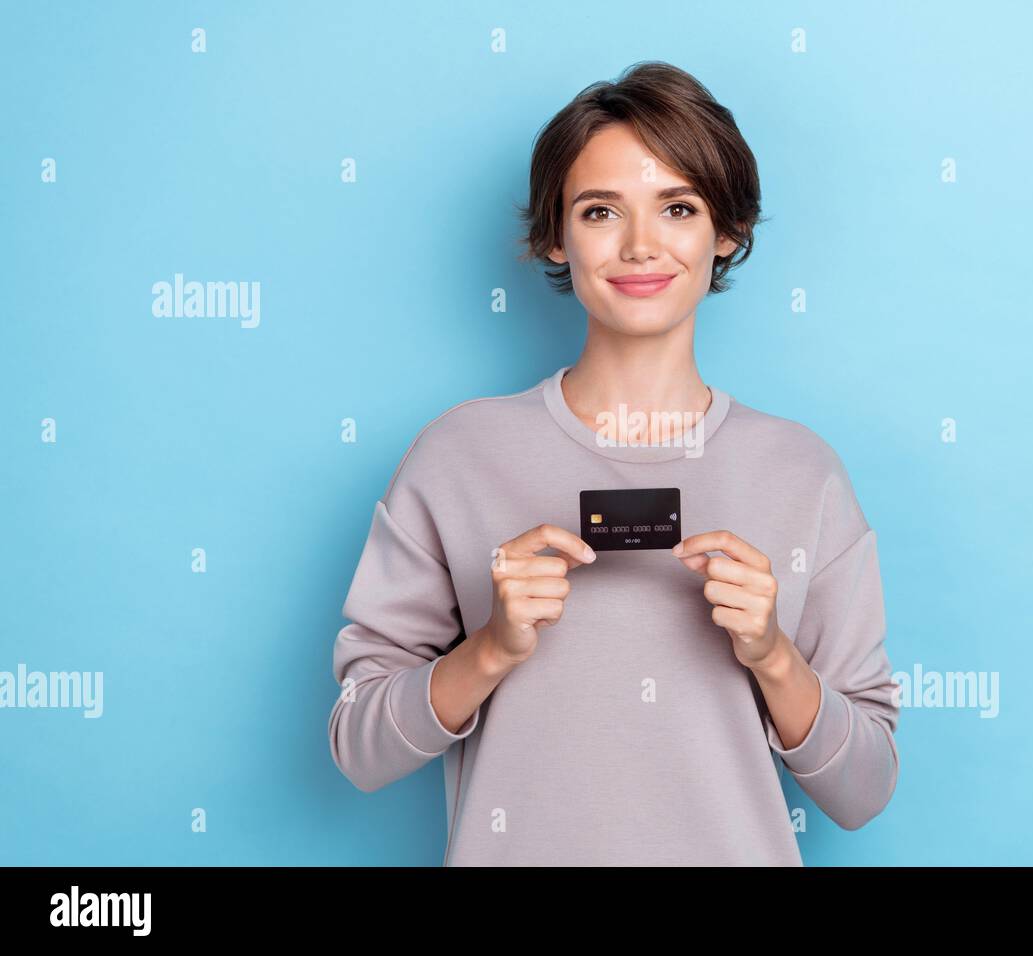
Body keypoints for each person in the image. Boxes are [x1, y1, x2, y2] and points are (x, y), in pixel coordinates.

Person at [327, 60, 900, 866]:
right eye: (601, 211)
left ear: (726, 231)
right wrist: (489, 647)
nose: (640, 246)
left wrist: (774, 656)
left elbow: (866, 790)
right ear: (555, 235)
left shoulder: (803, 474)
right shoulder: (457, 455)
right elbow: (358, 748)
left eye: (678, 207)